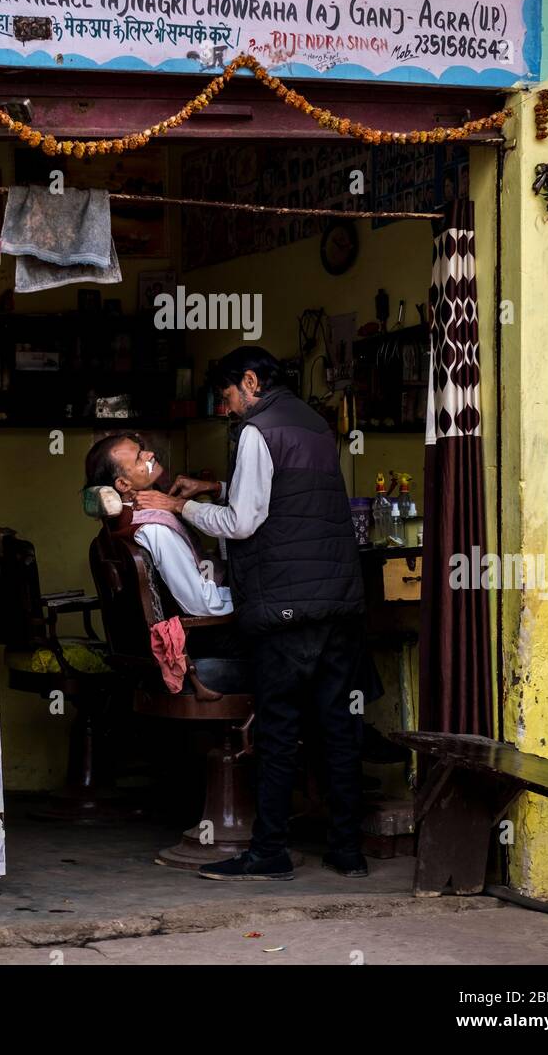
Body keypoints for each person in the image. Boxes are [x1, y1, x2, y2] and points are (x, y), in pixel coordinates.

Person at [134, 346, 379, 881]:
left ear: (250, 382)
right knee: (337, 728)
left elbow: (244, 522)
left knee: (277, 727)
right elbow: (289, 495)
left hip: (286, 606)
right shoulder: (314, 423)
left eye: (227, 397)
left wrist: (181, 506)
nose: (226, 410)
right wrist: (215, 487)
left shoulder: (256, 431)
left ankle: (269, 851)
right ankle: (347, 851)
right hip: (337, 601)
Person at [84, 432, 232, 622]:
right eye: (139, 457)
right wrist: (248, 598)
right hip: (202, 634)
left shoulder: (122, 522)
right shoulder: (154, 529)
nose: (150, 454)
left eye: (143, 450)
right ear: (123, 484)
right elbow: (203, 603)